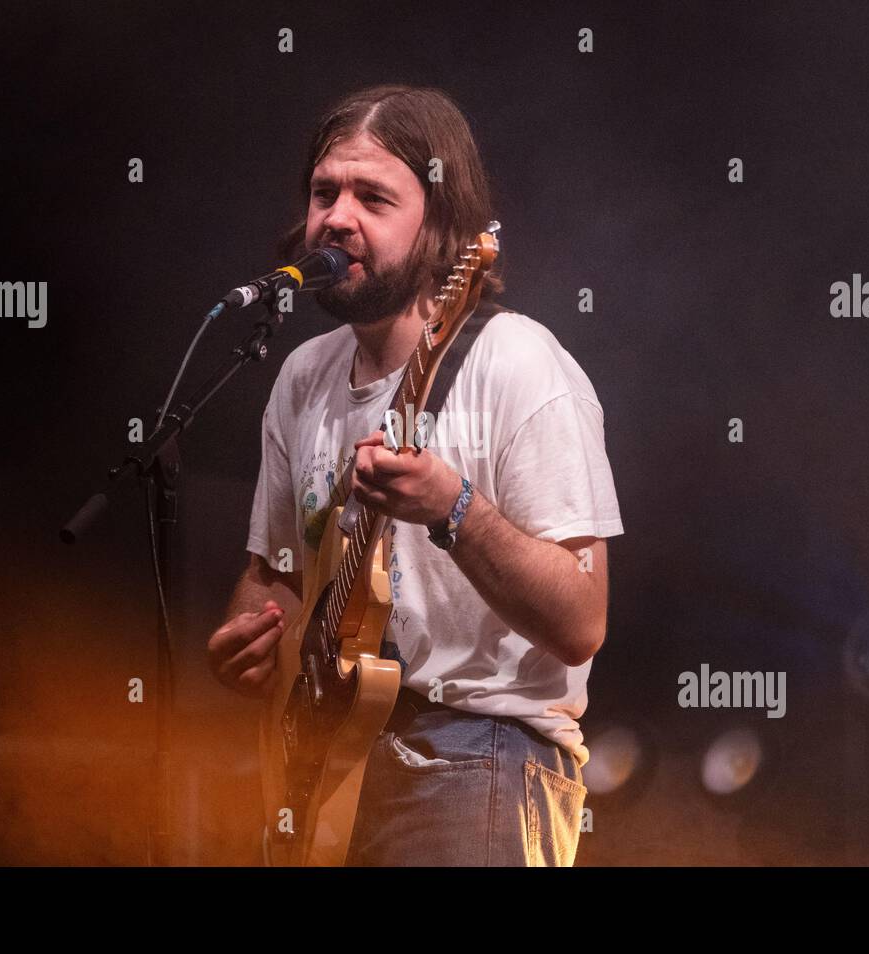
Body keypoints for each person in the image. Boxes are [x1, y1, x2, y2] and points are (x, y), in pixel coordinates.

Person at [207, 84, 623, 866]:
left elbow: (581, 620)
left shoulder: (519, 363)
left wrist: (453, 507)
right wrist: (247, 634)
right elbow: (275, 575)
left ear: (439, 228)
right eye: (325, 192)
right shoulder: (303, 376)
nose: (336, 216)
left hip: (481, 755)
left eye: (373, 197)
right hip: (330, 759)